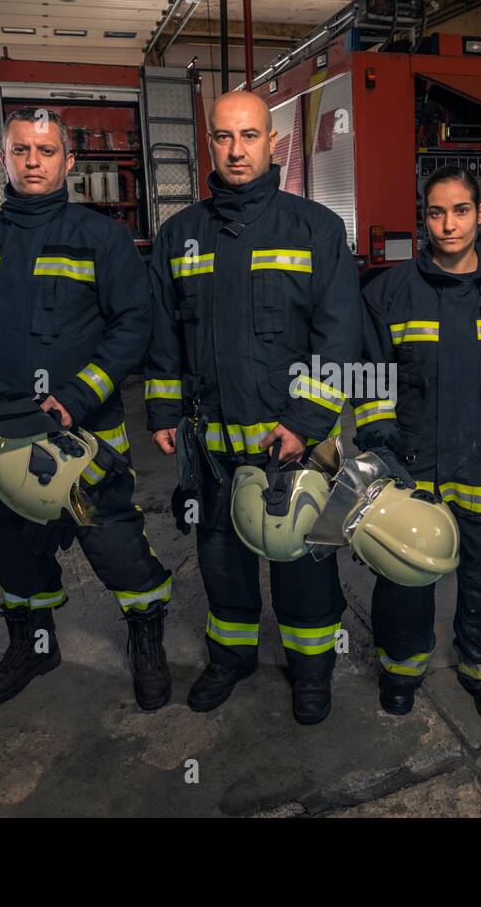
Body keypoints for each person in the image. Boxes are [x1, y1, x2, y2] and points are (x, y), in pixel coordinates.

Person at [0, 107, 173, 709]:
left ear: (69, 162)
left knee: (114, 544)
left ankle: (146, 639)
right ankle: (35, 646)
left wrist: (75, 397)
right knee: (16, 553)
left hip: (87, 436)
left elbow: (132, 326)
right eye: (21, 151)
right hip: (7, 437)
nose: (32, 162)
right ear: (4, 159)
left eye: (45, 151)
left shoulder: (103, 238)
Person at [144, 91, 361, 725]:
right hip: (211, 443)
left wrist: (305, 422)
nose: (236, 150)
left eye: (249, 136)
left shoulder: (316, 228)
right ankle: (232, 657)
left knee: (302, 557)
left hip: (294, 438)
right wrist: (161, 413)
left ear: (275, 144)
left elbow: (339, 335)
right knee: (220, 556)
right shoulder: (180, 235)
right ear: (208, 144)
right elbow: (165, 336)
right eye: (223, 137)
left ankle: (312, 669)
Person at [352, 165, 481, 724]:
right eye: (436, 212)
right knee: (403, 576)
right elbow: (372, 383)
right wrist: (382, 450)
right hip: (411, 468)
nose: (448, 224)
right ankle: (401, 670)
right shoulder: (388, 292)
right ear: (425, 217)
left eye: (461, 210)